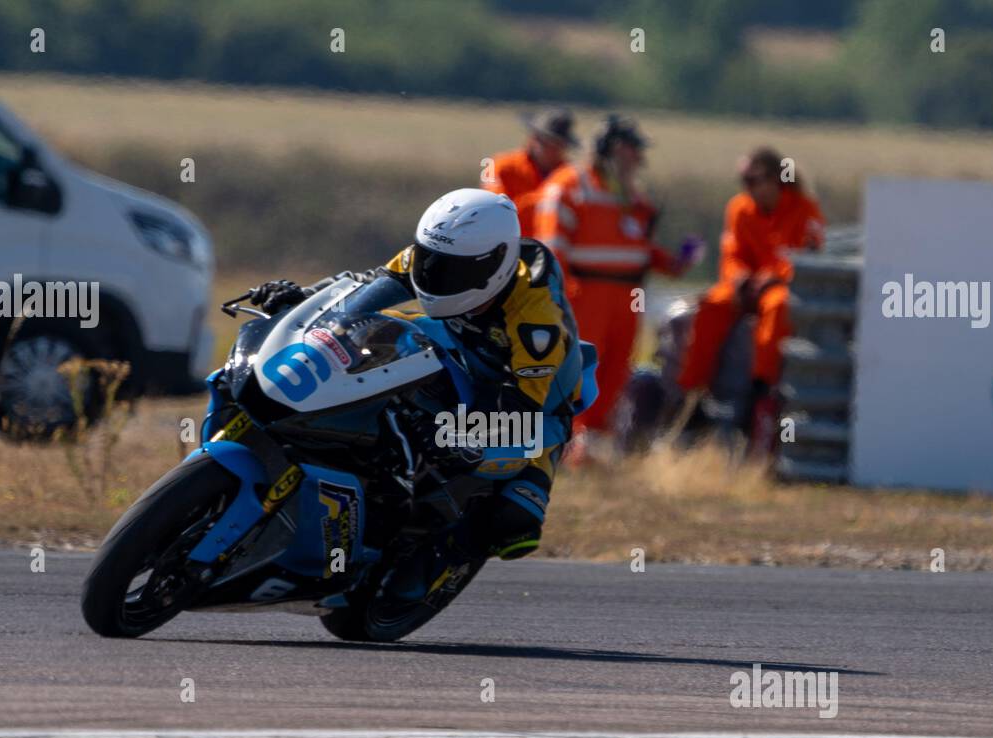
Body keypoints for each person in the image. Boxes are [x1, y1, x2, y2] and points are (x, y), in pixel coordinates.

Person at [249, 188, 587, 566]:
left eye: (453, 271)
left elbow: (524, 409)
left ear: (496, 266)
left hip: (534, 403)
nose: (434, 277)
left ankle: (436, 548)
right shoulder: (434, 256)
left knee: (512, 526)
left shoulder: (536, 323)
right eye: (429, 261)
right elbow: (363, 291)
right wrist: (302, 299)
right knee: (370, 336)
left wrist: (458, 432)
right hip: (458, 346)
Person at [533, 114, 692, 447]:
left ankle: (597, 441)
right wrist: (554, 299)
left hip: (628, 294)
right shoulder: (569, 186)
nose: (639, 159)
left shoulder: (633, 196)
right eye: (634, 150)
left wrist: (675, 264)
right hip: (585, 293)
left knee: (617, 369)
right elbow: (552, 249)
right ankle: (569, 441)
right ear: (615, 149)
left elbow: (640, 247)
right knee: (581, 369)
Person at [676, 147, 825, 450]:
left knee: (778, 307)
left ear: (775, 180)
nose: (747, 188)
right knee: (710, 305)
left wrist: (774, 276)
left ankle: (761, 393)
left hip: (781, 287)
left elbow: (808, 256)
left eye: (753, 180)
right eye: (744, 180)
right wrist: (740, 278)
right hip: (746, 288)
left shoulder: (805, 209)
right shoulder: (739, 209)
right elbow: (731, 256)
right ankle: (695, 395)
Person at [481, 108, 578, 238]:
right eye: (547, 142)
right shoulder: (499, 165)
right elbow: (495, 210)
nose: (552, 150)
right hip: (509, 243)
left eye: (559, 145)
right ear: (533, 138)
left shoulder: (572, 176)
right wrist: (549, 199)